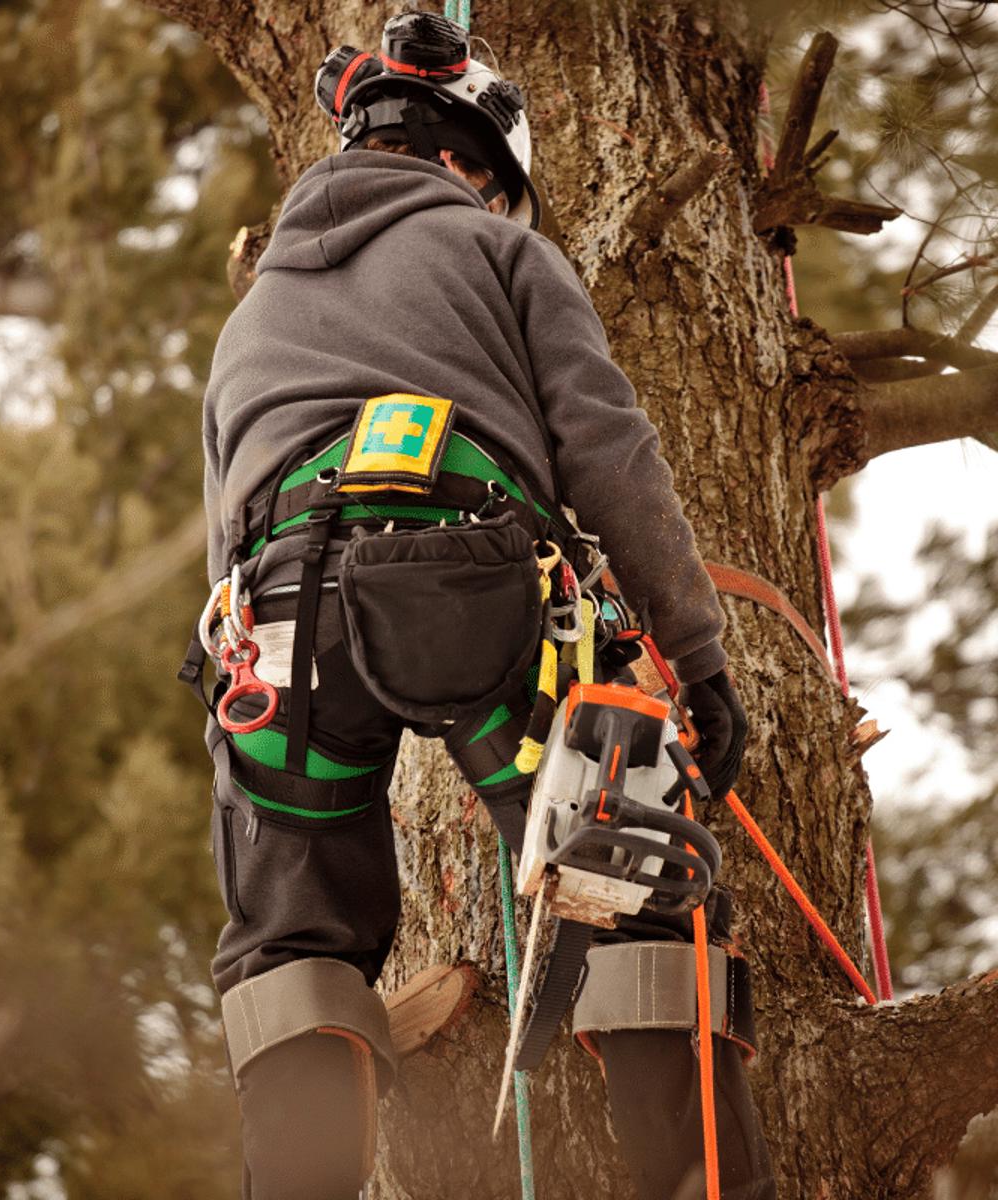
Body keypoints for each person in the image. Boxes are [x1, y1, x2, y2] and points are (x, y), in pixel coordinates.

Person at [187, 11, 776, 1199]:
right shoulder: (502, 252)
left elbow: (227, 545)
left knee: (293, 943)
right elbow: (609, 455)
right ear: (473, 161)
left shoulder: (249, 321)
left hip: (281, 627)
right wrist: (695, 659)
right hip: (480, 587)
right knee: (629, 886)